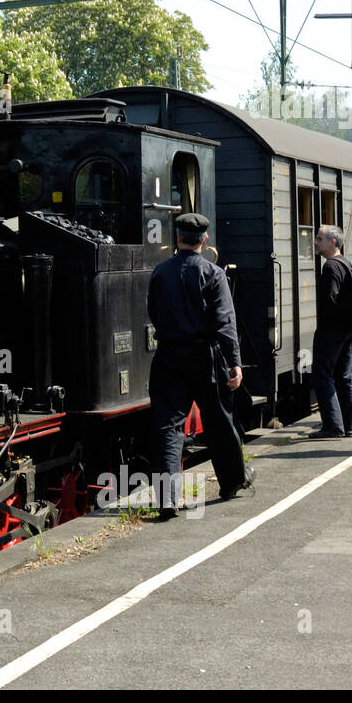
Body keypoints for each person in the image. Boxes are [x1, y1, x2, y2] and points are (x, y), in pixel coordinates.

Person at [146, 213, 255, 519]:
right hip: (204, 356)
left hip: (168, 355)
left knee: (168, 426)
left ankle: (166, 499)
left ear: (177, 239)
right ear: (204, 241)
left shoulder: (160, 272)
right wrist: (235, 362)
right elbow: (225, 322)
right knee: (219, 419)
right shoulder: (213, 274)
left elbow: (153, 312)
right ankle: (233, 482)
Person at [308, 225, 352, 439]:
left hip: (332, 330)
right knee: (345, 375)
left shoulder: (330, 267)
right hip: (349, 328)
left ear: (333, 242)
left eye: (319, 239)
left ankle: (332, 426)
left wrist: (327, 326)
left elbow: (330, 300)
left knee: (323, 374)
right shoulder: (348, 263)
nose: (315, 242)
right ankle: (348, 425)